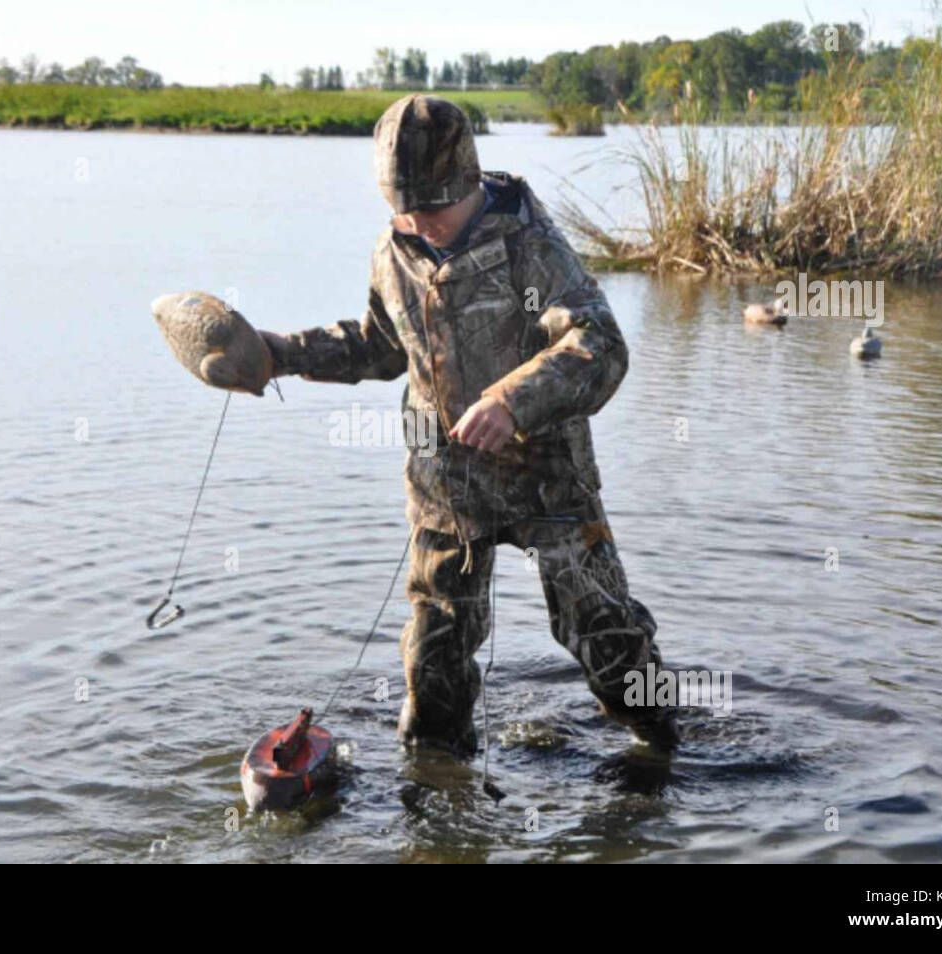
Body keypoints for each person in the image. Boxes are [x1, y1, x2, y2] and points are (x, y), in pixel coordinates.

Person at [261, 94, 678, 753]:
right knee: (433, 661)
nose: (420, 222)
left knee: (603, 635)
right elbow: (380, 345)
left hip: (548, 482)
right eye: (405, 207)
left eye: (434, 206)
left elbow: (601, 346)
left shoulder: (529, 247)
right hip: (446, 488)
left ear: (470, 184)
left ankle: (664, 751)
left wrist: (512, 400)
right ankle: (436, 797)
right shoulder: (394, 251)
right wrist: (275, 354)